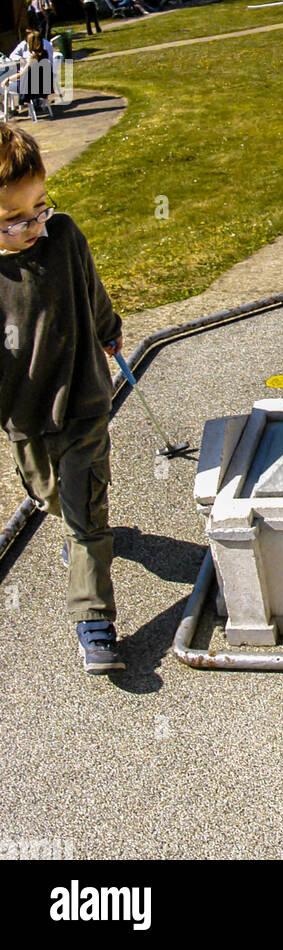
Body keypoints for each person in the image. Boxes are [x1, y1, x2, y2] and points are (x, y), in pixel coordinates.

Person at [0, 125, 124, 672]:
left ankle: (93, 620)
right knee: (48, 497)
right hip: (23, 415)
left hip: (83, 402)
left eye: (41, 208)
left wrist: (106, 327)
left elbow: (90, 288)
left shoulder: (65, 237)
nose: (33, 226)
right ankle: (75, 531)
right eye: (14, 218)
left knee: (85, 516)